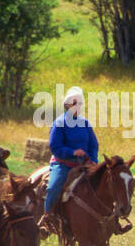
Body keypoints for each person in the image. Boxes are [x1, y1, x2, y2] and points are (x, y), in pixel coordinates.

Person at [42, 87, 99, 235]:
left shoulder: (85, 123)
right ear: (67, 105)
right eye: (74, 103)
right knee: (53, 187)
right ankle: (47, 219)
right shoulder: (59, 123)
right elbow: (55, 146)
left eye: (80, 103)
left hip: (84, 165)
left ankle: (108, 221)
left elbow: (94, 145)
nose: (77, 106)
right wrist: (72, 152)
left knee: (101, 184)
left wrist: (93, 160)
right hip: (63, 164)